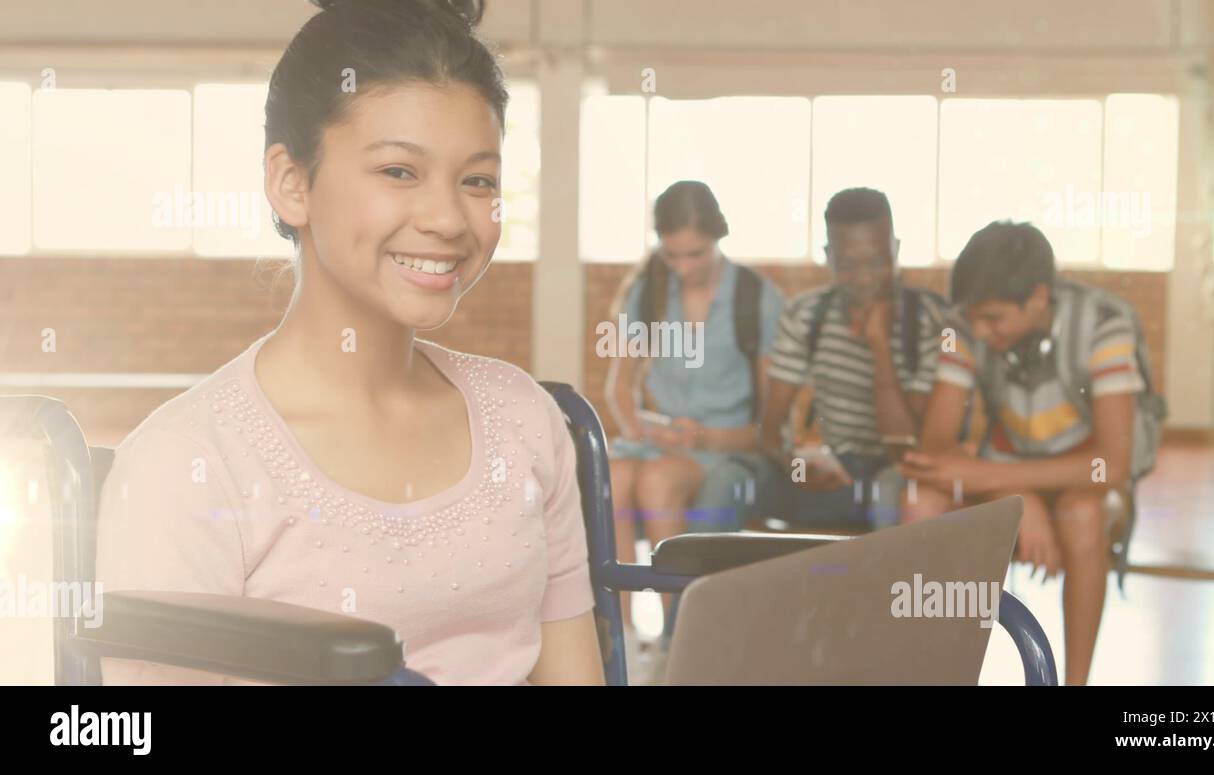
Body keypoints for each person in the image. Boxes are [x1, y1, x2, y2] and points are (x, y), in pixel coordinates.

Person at [95, 0, 603, 686]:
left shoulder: (525, 420)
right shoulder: (188, 463)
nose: (450, 219)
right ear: (290, 183)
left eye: (477, 179)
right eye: (399, 171)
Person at [900, 220, 1164, 686]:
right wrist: (1021, 492)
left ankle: (1075, 681)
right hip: (1011, 475)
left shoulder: (1105, 324)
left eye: (994, 319)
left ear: (1039, 297)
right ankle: (940, 671)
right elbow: (934, 452)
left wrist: (1010, 484)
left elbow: (1111, 465)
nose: (980, 332)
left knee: (1082, 512)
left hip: (1090, 486)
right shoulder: (965, 326)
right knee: (921, 497)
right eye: (973, 318)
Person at [603, 180, 784, 674]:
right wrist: (639, 427)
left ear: (718, 235)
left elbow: (773, 421)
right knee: (612, 476)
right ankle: (622, 633)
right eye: (673, 254)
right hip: (658, 444)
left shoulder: (756, 298)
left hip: (725, 444)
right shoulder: (647, 293)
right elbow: (619, 391)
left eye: (695, 254)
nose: (683, 267)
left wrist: (702, 438)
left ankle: (674, 631)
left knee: (659, 480)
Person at [758, 188, 947, 529]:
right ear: (829, 257)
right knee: (757, 486)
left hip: (903, 471)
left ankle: (889, 583)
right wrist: (799, 467)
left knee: (890, 493)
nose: (863, 279)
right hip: (837, 471)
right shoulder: (805, 314)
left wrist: (879, 345)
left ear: (896, 250)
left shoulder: (930, 322)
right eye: (847, 265)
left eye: (876, 262)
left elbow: (907, 448)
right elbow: (771, 431)